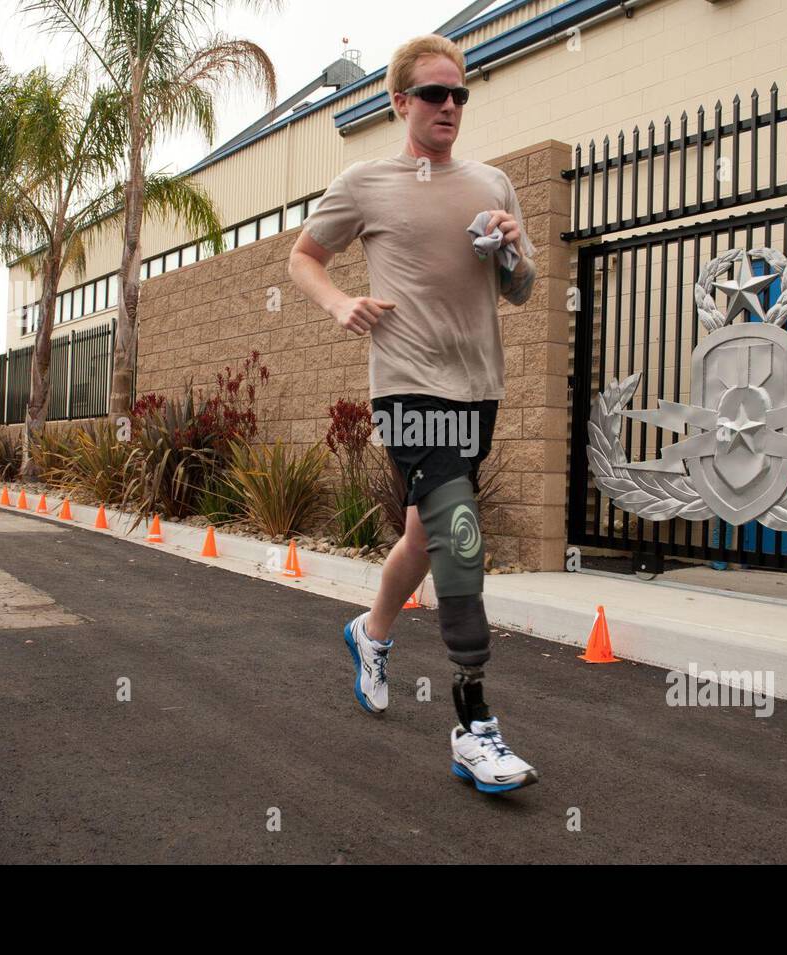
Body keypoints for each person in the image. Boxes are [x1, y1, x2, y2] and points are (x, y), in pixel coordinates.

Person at [288, 33, 540, 794]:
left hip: (477, 390)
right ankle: (474, 725)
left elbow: (522, 290)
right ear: (401, 102)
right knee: (460, 535)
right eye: (434, 93)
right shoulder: (366, 183)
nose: (450, 106)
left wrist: (510, 247)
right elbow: (303, 257)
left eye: (460, 93)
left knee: (426, 535)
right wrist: (339, 303)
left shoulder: (493, 183)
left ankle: (370, 631)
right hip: (406, 386)